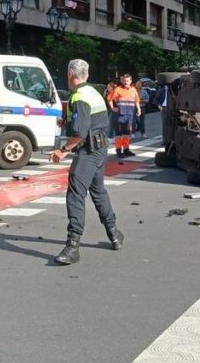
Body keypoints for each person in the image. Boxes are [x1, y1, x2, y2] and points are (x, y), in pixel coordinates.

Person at [49, 59, 122, 265]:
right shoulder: (92, 92)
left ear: (70, 74)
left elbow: (80, 134)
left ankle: (73, 246)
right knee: (98, 191)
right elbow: (94, 120)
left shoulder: (79, 97)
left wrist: (62, 151)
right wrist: (67, 122)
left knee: (75, 194)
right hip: (100, 148)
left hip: (87, 151)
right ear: (86, 75)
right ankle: (114, 233)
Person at [107, 75, 141, 158]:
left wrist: (139, 109)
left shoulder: (133, 89)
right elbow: (109, 98)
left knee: (127, 133)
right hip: (120, 114)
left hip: (130, 114)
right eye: (124, 81)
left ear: (130, 81)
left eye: (127, 80)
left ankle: (126, 149)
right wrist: (112, 108)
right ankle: (118, 150)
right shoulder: (118, 89)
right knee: (119, 133)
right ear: (122, 81)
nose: (126, 82)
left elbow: (136, 100)